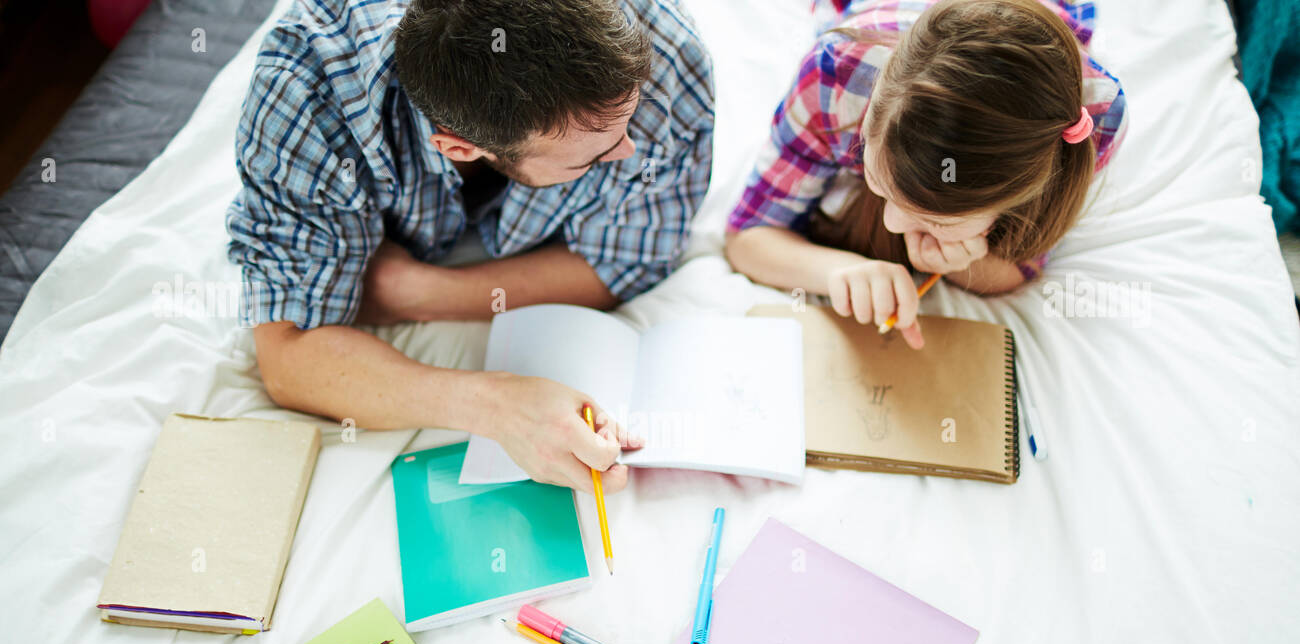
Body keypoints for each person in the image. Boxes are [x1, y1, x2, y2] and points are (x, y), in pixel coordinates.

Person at [227, 0, 714, 491]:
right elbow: (289, 356)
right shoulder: (306, 91)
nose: (630, 149)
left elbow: (631, 258)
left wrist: (412, 292)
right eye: (595, 154)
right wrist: (498, 406)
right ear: (459, 147)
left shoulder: (664, 46)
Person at [724, 0, 1126, 348]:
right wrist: (837, 271)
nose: (891, 223)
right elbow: (747, 234)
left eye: (934, 218)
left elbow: (1022, 264)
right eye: (877, 182)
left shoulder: (1090, 124)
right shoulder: (835, 73)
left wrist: (964, 264)